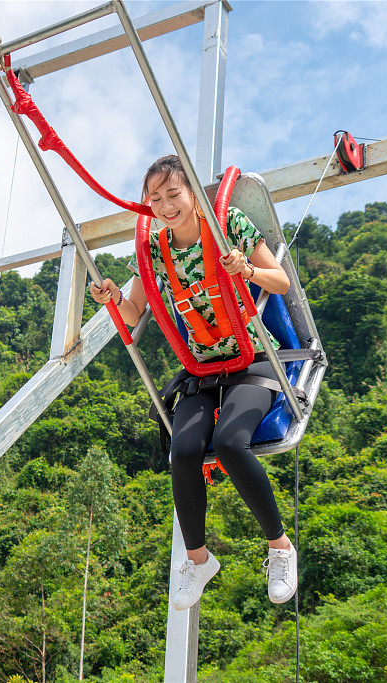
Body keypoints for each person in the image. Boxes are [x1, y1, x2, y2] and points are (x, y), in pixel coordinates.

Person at [89, 155, 298, 611]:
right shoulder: (153, 252)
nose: (166, 206)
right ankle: (198, 560)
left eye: (173, 194)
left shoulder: (228, 225)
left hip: (250, 360)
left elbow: (280, 281)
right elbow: (134, 313)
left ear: (192, 194)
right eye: (155, 198)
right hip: (202, 370)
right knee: (182, 452)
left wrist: (246, 270)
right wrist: (114, 297)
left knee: (229, 443)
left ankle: (280, 547)